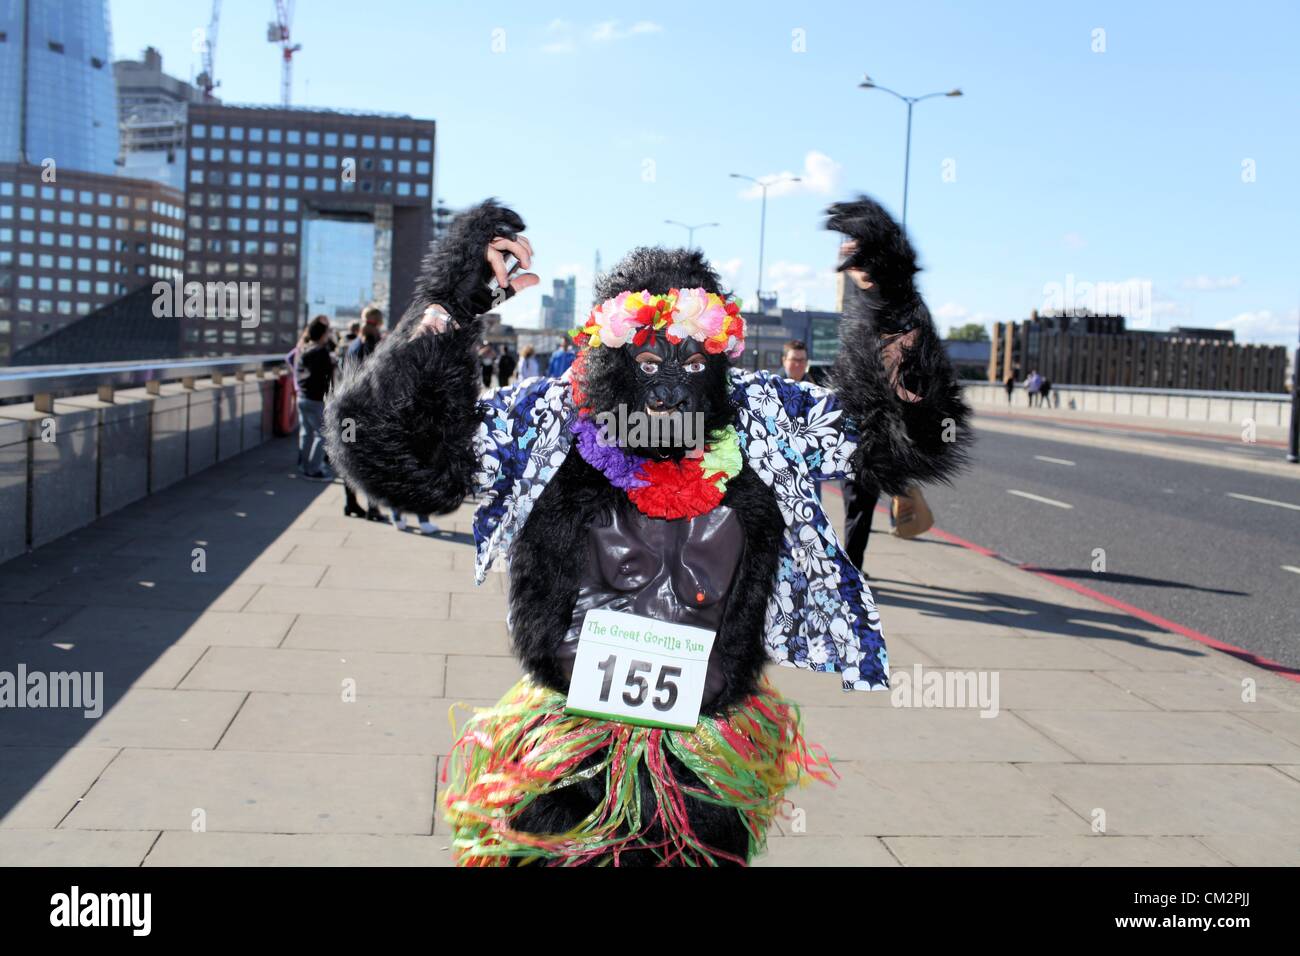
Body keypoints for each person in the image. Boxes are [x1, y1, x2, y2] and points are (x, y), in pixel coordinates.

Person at [325, 196, 970, 866]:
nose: (666, 390)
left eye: (691, 364)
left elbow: (903, 441)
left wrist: (893, 302)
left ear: (717, 360)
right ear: (607, 354)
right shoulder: (547, 420)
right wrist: (451, 303)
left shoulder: (766, 420)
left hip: (706, 760)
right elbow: (388, 452)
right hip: (570, 753)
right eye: (646, 361)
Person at [782, 340, 823, 503]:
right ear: (784, 360)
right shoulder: (769, 386)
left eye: (802, 360)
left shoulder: (816, 390)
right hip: (780, 461)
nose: (798, 365)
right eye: (794, 360)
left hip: (808, 461)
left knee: (811, 509)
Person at [296, 315, 336, 481]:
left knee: (306, 433)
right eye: (327, 333)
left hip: (303, 396)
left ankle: (304, 466)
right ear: (322, 335)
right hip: (316, 399)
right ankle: (313, 470)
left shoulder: (305, 349)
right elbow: (327, 378)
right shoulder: (322, 353)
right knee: (322, 435)